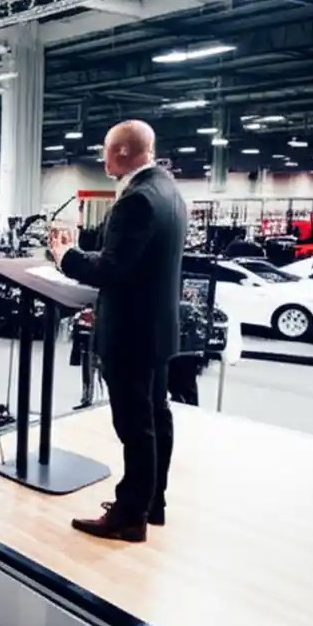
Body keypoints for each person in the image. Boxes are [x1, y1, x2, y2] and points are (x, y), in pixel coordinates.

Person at [51, 119, 187, 543]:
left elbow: (112, 270)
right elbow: (132, 258)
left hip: (130, 332)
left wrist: (65, 257)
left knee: (134, 425)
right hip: (159, 329)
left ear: (123, 153)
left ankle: (130, 514)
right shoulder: (169, 192)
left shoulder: (137, 199)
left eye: (106, 150)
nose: (103, 157)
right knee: (157, 415)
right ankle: (153, 502)